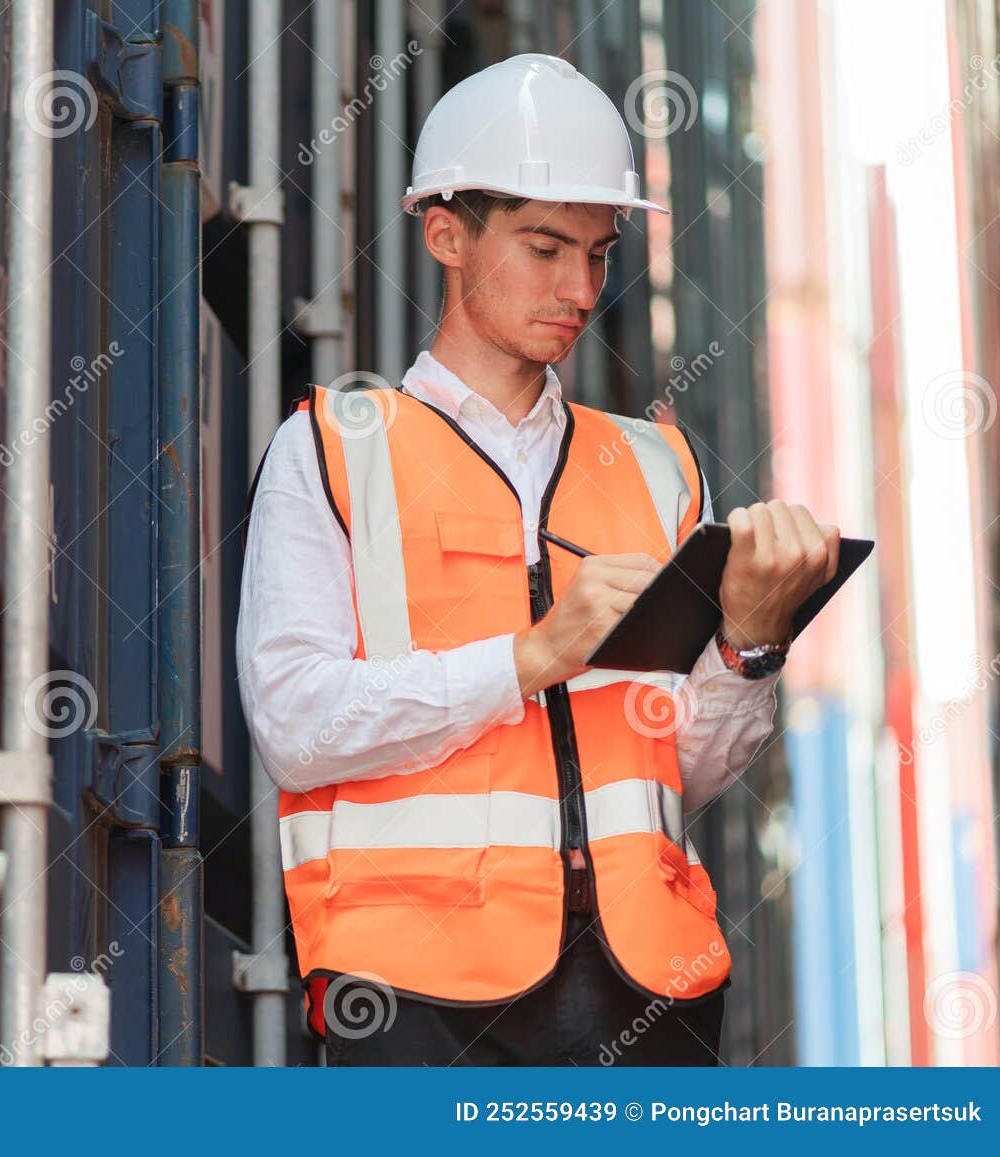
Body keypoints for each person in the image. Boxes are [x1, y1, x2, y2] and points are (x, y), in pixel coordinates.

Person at [236, 53, 840, 1066]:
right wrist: (526, 656)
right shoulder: (338, 446)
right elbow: (295, 727)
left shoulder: (656, 465)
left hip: (647, 986)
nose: (578, 288)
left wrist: (748, 647)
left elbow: (675, 768)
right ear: (444, 233)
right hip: (416, 994)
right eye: (545, 247)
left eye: (598, 254)